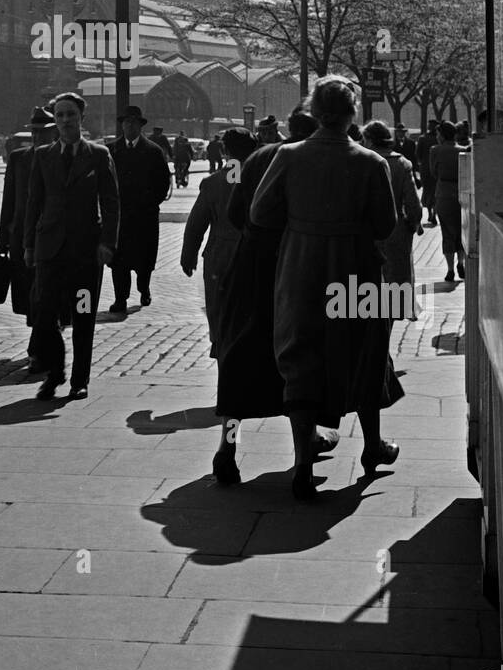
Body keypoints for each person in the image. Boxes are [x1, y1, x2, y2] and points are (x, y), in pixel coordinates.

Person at [252, 75, 401, 501]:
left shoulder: (288, 155)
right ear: (353, 113)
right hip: (356, 268)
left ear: (312, 113)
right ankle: (372, 446)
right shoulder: (373, 163)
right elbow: (386, 225)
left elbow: (261, 213)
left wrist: (302, 224)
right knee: (367, 353)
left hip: (301, 268)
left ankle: (303, 461)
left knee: (300, 354)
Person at [210, 104, 342, 484]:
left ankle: (227, 448)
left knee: (239, 357)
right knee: (300, 354)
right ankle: (305, 451)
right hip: (297, 266)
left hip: (251, 266)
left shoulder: (257, 158)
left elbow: (237, 214)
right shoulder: (313, 160)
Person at [23, 92, 119, 401]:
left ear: (81, 119)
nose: (65, 120)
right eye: (60, 115)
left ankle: (80, 379)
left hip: (84, 252)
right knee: (45, 313)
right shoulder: (43, 155)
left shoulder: (98, 154)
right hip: (50, 250)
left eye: (71, 115)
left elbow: (111, 202)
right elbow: (33, 202)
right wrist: (28, 245)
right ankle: (55, 372)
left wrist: (107, 242)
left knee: (83, 314)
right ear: (55, 119)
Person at [181, 127, 256, 359]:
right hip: (252, 254)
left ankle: (220, 342)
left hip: (219, 255)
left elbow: (196, 223)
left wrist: (189, 255)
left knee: (218, 305)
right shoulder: (263, 178)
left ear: (224, 149)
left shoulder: (213, 183)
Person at [0, 106, 57, 369]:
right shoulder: (18, 159)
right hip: (21, 238)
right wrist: (3, 239)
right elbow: (8, 201)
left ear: (53, 133)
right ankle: (42, 339)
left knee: (42, 295)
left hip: (49, 239)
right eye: (34, 132)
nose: (36, 137)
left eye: (42, 132)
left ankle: (38, 349)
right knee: (28, 296)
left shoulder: (59, 157)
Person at [107, 105, 172, 313]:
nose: (130, 126)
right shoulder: (111, 151)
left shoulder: (153, 151)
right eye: (126, 122)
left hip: (145, 216)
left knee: (144, 259)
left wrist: (150, 203)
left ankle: (144, 289)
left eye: (134, 122)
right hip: (120, 217)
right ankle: (120, 299)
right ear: (122, 125)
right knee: (119, 262)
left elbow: (163, 184)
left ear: (140, 125)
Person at [363, 120, 424, 310]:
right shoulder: (402, 163)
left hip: (367, 232)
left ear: (370, 140)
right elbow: (413, 202)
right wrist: (412, 224)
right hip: (396, 230)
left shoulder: (363, 162)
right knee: (396, 284)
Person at [430, 121, 466, 284]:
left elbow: (433, 172)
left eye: (438, 134)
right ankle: (461, 262)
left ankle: (450, 268)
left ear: (442, 135)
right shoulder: (463, 150)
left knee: (447, 232)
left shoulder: (435, 150)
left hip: (443, 192)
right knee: (462, 230)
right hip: (461, 192)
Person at [416, 119, 439, 226]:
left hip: (425, 170)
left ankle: (430, 212)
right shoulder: (439, 139)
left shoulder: (422, 138)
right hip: (437, 170)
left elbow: (418, 155)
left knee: (428, 191)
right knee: (435, 192)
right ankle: (434, 213)